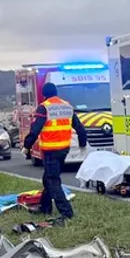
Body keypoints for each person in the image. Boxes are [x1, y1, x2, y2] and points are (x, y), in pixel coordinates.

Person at [22, 82, 87, 221]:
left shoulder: (44, 107)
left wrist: (27, 146)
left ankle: (66, 212)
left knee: (53, 180)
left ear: (44, 94)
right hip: (64, 149)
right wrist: (82, 144)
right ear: (56, 92)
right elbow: (80, 127)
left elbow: (35, 129)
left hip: (50, 150)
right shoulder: (67, 106)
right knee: (48, 178)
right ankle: (45, 207)